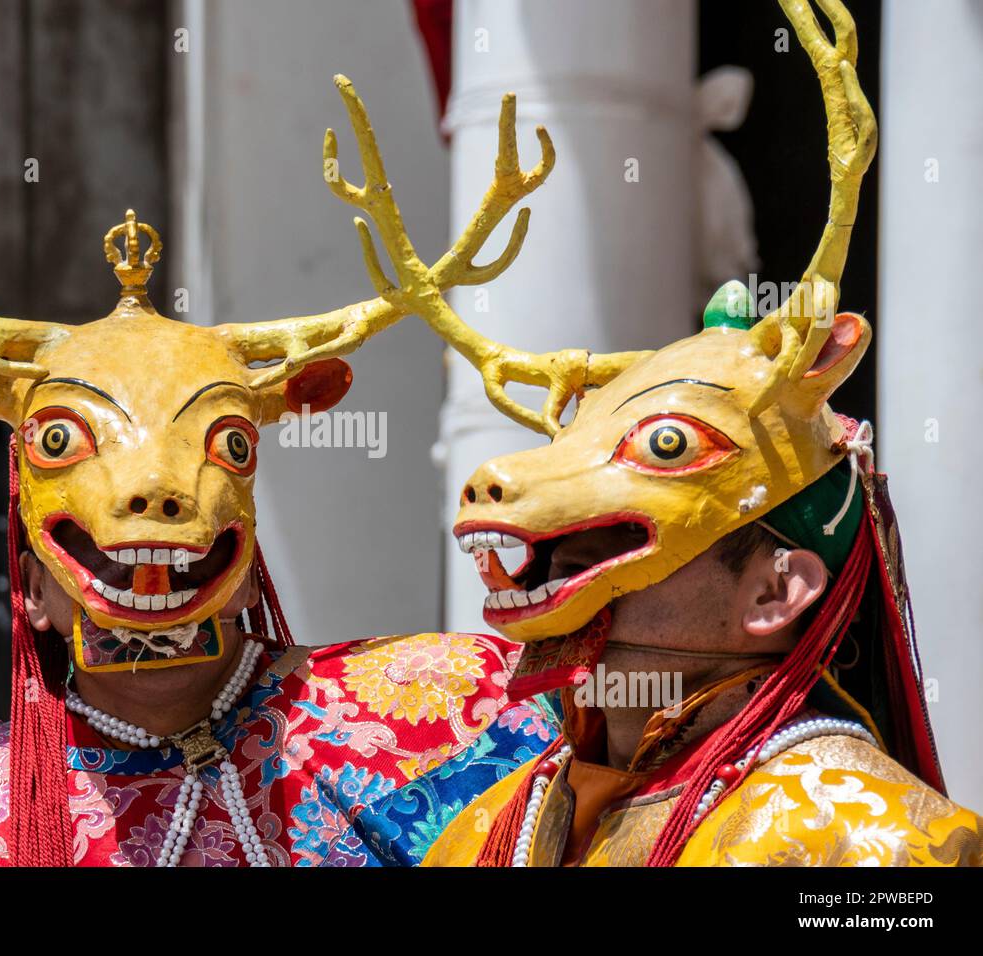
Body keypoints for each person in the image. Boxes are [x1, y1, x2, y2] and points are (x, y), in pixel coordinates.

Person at [0, 23, 556, 867]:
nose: (151, 494)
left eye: (220, 443)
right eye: (62, 443)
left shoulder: (456, 715)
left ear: (249, 531)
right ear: (31, 581)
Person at [346, 0, 982, 867]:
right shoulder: (493, 822)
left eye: (666, 450)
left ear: (775, 592)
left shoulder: (872, 844)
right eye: (562, 559)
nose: (559, 574)